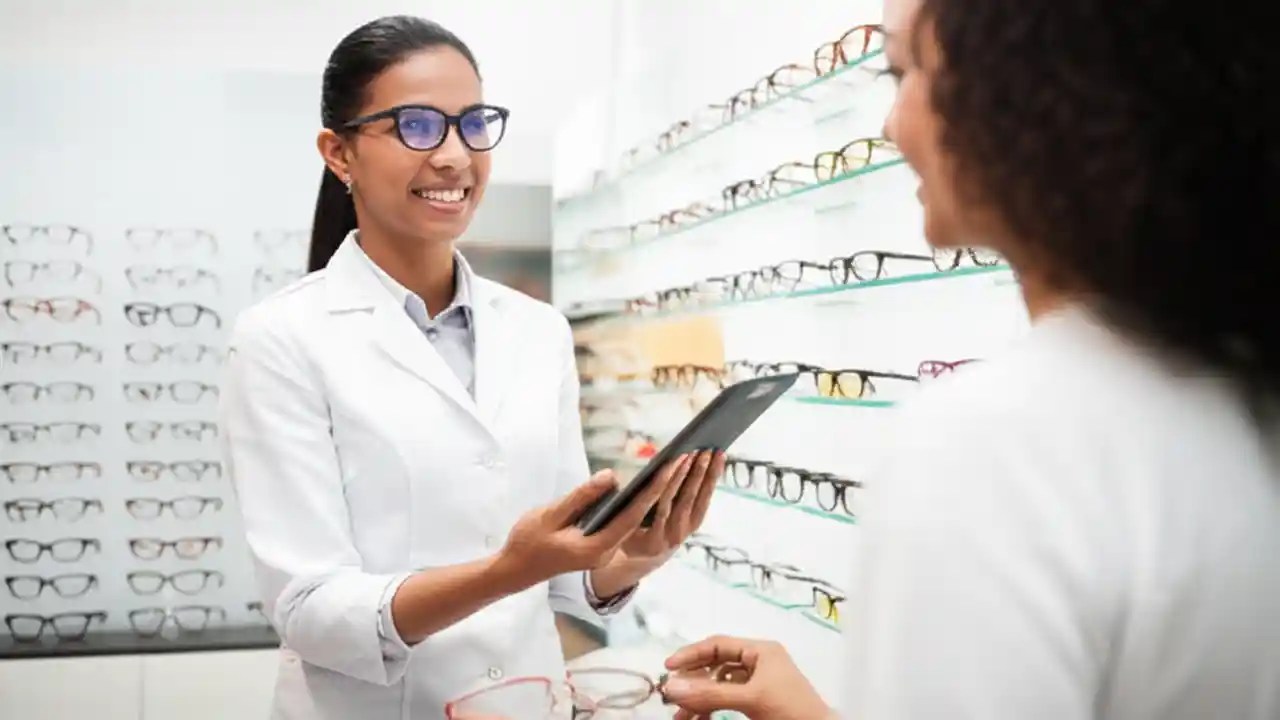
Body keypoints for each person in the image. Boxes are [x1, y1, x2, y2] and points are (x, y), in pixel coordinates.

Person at [660, 0, 1280, 718]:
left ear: (1024, 83)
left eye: (904, 71)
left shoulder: (993, 445)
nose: (890, 127)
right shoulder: (1237, 395)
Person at [219, 15, 725, 719]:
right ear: (339, 153)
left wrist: (631, 555)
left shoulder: (538, 331)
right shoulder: (282, 339)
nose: (455, 155)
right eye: (417, 126)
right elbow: (310, 611)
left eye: (473, 124)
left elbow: (568, 579)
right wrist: (504, 572)